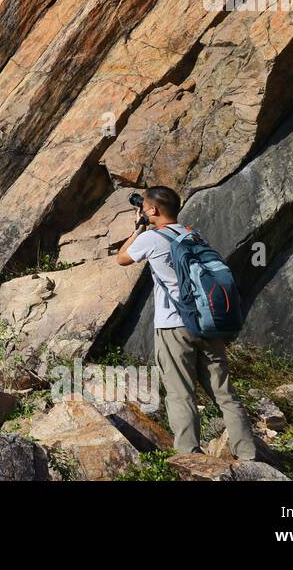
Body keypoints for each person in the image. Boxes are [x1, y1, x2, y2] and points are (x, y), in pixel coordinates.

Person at [116, 186, 259, 460]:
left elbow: (121, 258)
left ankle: (189, 457)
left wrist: (137, 229)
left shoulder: (151, 238)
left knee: (181, 393)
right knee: (225, 394)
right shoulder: (192, 234)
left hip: (173, 327)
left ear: (153, 211)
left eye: (145, 206)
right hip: (207, 322)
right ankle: (248, 454)